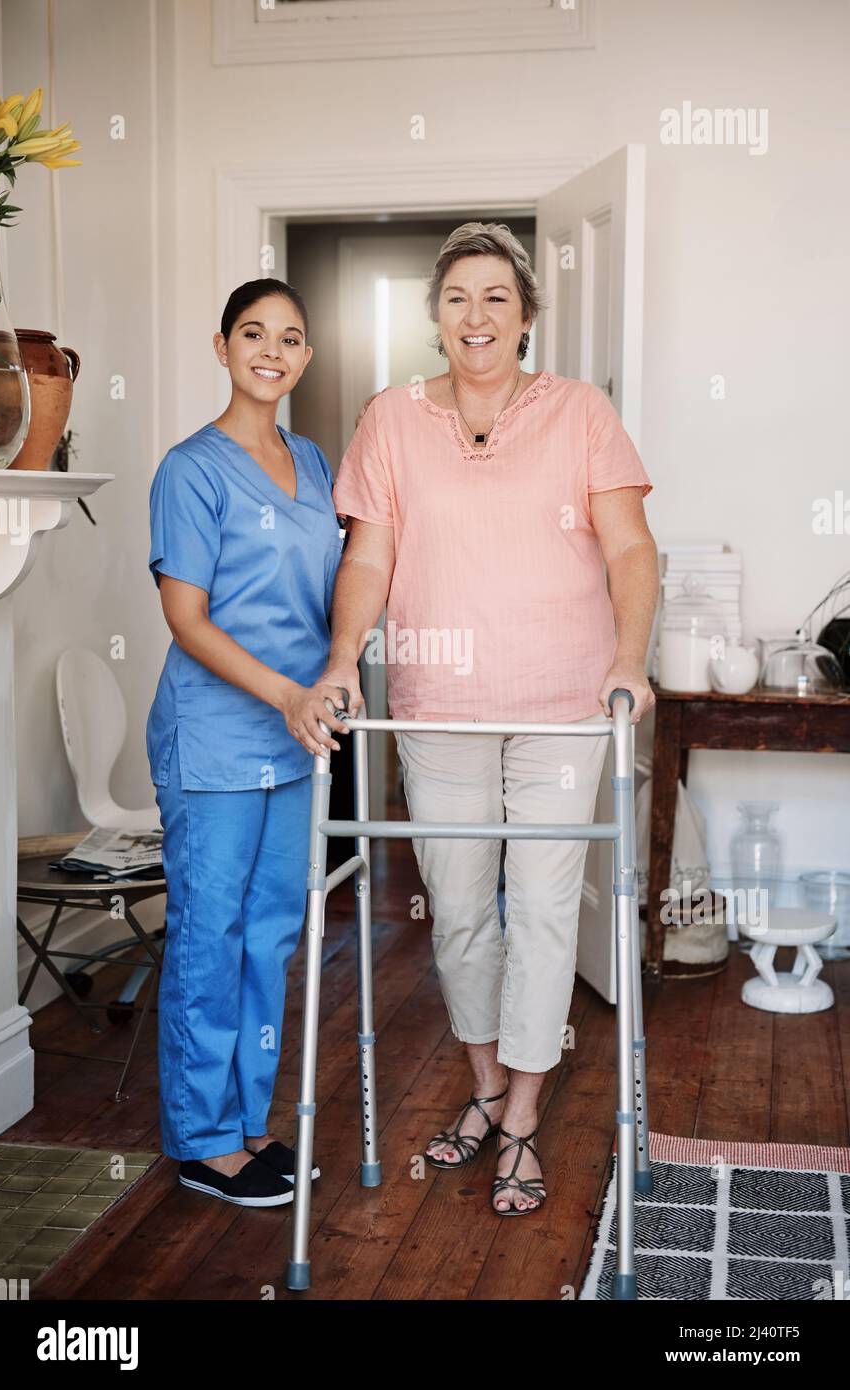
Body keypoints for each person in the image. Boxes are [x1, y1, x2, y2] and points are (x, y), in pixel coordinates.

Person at [323, 223, 659, 1215]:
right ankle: (483, 1088)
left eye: (495, 298)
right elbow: (369, 559)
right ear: (436, 315)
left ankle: (520, 1116)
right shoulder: (389, 418)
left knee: (547, 906)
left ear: (524, 318)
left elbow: (629, 549)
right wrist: (344, 654)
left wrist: (629, 659)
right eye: (458, 297)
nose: (476, 316)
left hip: (563, 706)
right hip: (435, 705)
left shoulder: (579, 412)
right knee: (460, 908)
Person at [145, 278, 350, 1207]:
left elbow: (335, 590)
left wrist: (328, 683)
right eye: (254, 333)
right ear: (222, 345)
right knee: (208, 933)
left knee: (268, 935)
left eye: (292, 337)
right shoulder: (189, 469)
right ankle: (200, 1140)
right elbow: (186, 618)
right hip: (219, 733)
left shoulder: (313, 461)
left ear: (306, 357)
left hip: (297, 732)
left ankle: (248, 1121)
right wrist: (285, 694)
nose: (273, 349)